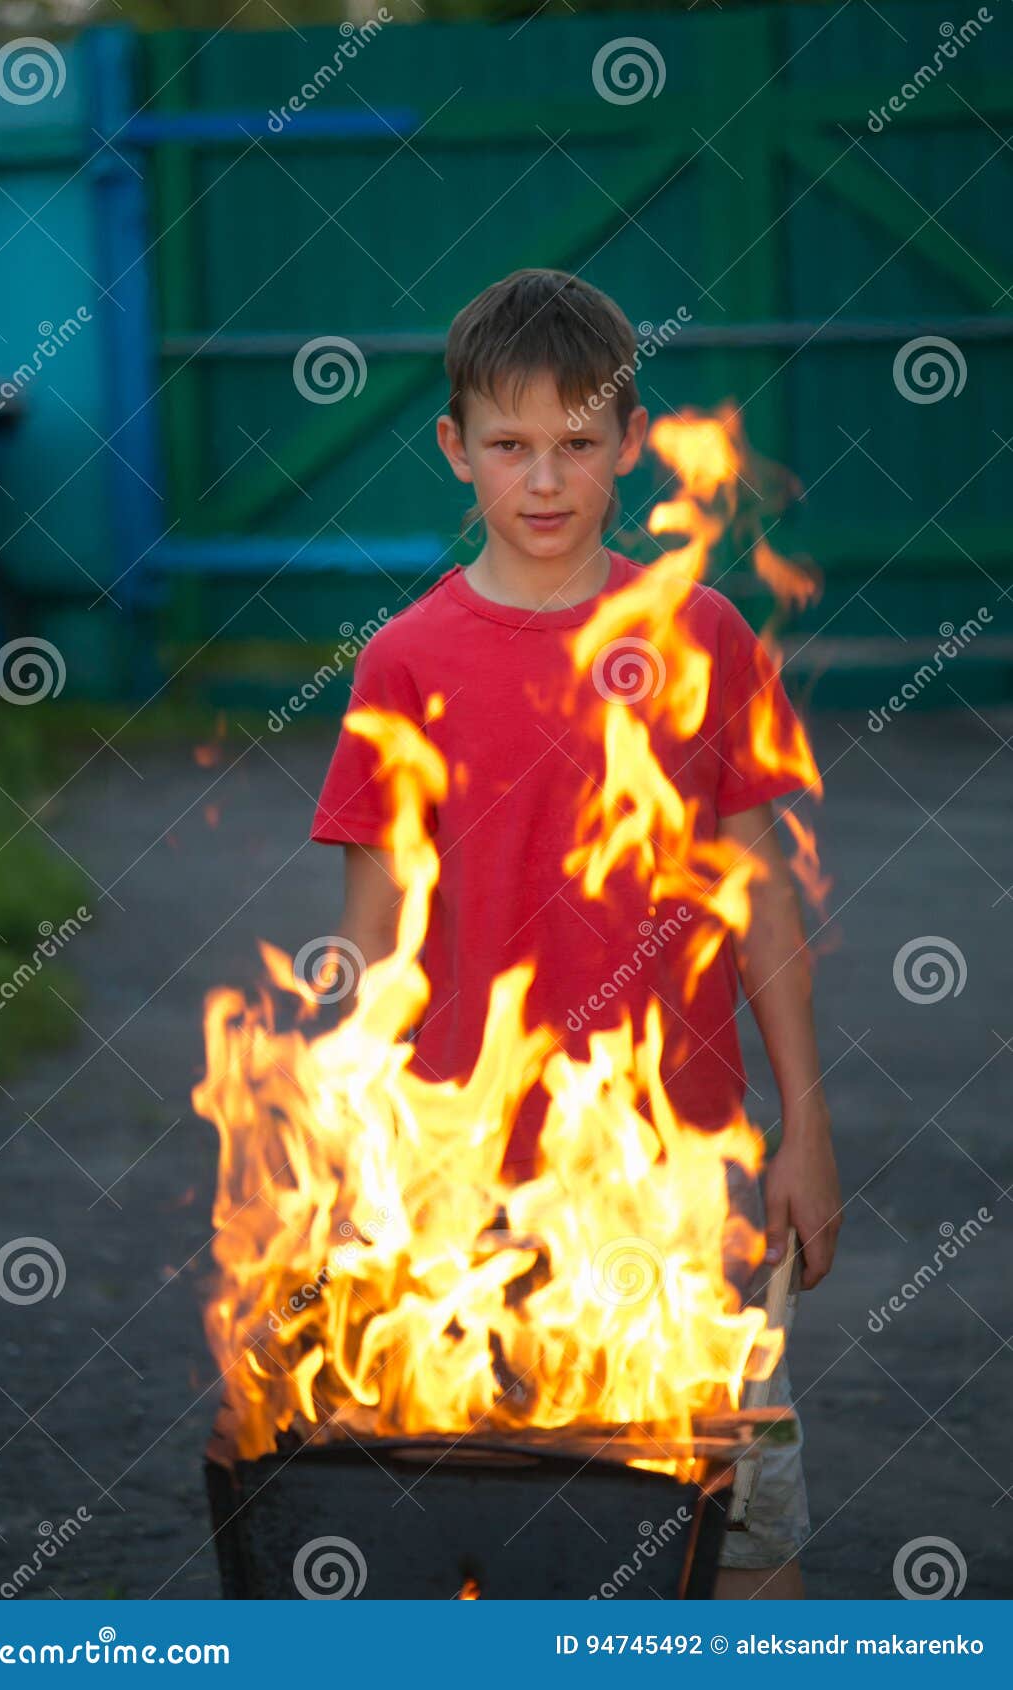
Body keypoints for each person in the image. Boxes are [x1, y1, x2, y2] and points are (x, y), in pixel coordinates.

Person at [309, 267, 842, 1599]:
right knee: (496, 1538)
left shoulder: (702, 633)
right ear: (455, 448)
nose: (544, 480)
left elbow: (763, 890)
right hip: (468, 1186)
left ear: (630, 440)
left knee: (732, 1528)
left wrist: (807, 1125)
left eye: (577, 443)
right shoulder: (405, 661)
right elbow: (372, 942)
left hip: (683, 1172)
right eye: (509, 445)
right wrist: (352, 1162)